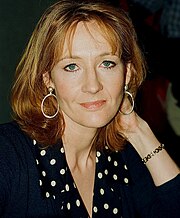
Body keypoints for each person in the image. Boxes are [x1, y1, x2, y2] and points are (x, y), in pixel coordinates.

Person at [0, 0, 179, 217]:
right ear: (48, 78)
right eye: (72, 67)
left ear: (128, 73)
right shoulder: (9, 154)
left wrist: (138, 130)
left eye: (107, 64)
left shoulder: (124, 159)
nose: (93, 86)